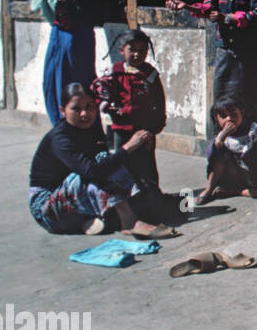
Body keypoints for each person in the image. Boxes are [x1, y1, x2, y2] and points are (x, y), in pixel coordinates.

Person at [29, 82, 176, 239]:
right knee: (98, 167)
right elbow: (93, 171)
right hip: (46, 209)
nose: (84, 114)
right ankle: (129, 221)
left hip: (72, 199)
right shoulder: (60, 138)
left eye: (89, 107)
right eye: (76, 109)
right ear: (62, 110)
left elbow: (109, 167)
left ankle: (97, 220)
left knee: (107, 162)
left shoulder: (91, 130)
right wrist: (128, 147)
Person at [166, 0, 257, 102]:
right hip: (223, 48)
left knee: (243, 92)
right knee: (220, 90)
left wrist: (227, 18)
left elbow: (256, 15)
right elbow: (206, 8)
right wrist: (186, 7)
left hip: (246, 49)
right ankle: (221, 125)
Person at [91, 28, 167, 201]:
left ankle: (152, 198)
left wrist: (155, 127)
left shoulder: (150, 74)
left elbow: (159, 101)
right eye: (132, 49)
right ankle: (124, 199)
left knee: (147, 164)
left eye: (142, 50)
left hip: (144, 129)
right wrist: (108, 107)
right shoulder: (114, 72)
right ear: (121, 51)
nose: (137, 54)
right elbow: (100, 93)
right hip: (121, 129)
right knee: (121, 163)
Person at [32, 0, 100, 125]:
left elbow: (83, 13)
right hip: (60, 35)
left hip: (79, 36)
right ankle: (62, 123)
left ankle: (86, 126)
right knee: (55, 79)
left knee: (80, 80)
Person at [196, 98, 257, 204]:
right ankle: (209, 189)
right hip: (232, 174)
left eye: (233, 114)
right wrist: (220, 139)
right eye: (223, 116)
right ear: (217, 118)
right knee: (219, 155)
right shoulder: (221, 133)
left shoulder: (254, 130)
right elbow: (211, 158)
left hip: (253, 175)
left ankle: (236, 191)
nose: (229, 119)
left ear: (241, 113)